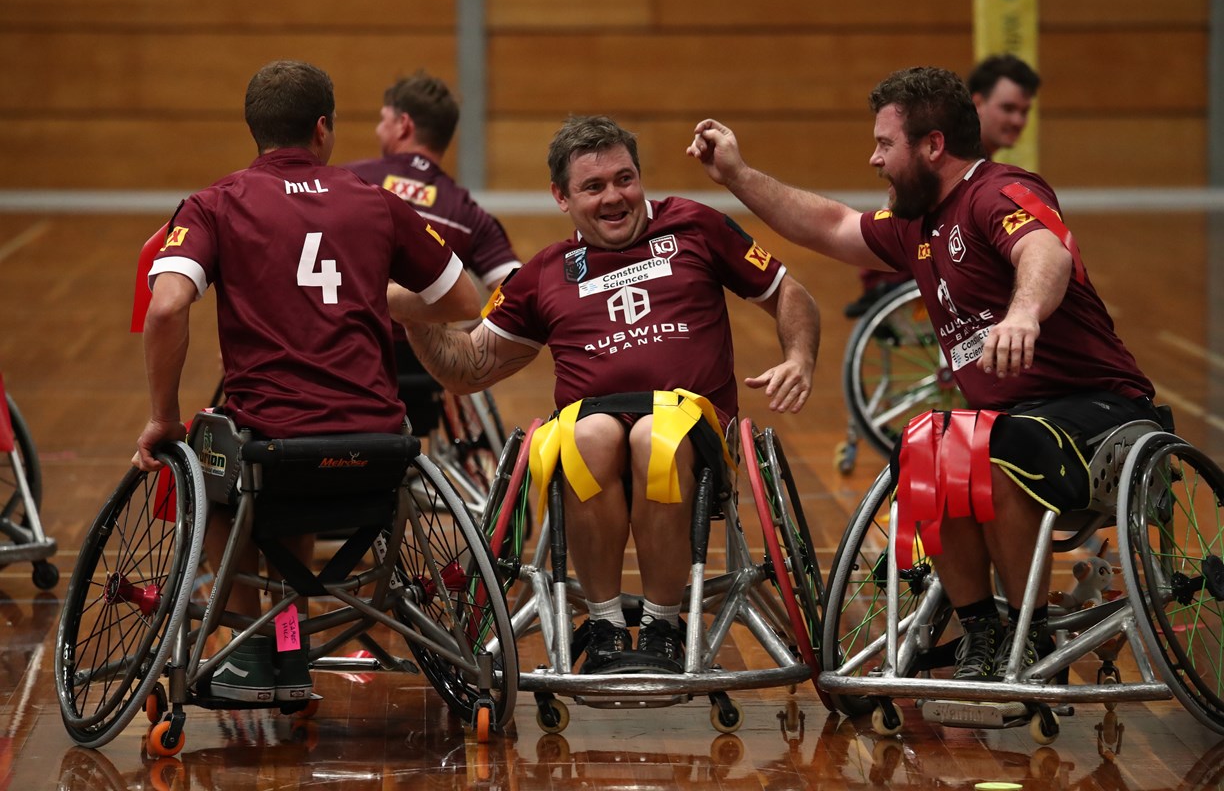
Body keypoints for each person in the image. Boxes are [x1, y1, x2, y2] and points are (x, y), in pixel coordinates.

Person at [688, 66, 1157, 680]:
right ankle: (983, 634)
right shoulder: (919, 223)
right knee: (928, 445)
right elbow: (831, 225)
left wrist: (1022, 315)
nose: (874, 159)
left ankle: (1030, 635)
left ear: (933, 145)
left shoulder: (997, 191)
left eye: (886, 144)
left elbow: (1043, 251)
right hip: (1016, 424)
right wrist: (739, 177)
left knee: (990, 446)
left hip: (1099, 410)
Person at [400, 115, 820, 673]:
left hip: (688, 421)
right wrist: (411, 309)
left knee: (655, 436)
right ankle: (601, 623)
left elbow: (788, 291)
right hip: (591, 419)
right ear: (561, 197)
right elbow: (467, 366)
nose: (614, 197)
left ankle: (663, 624)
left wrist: (799, 356)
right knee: (586, 435)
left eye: (624, 179)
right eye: (593, 187)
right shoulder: (545, 272)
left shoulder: (694, 227)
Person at [133, 60, 479, 703]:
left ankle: (244, 649)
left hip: (276, 443)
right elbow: (464, 300)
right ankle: (289, 647)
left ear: (254, 130)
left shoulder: (215, 204)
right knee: (279, 472)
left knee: (209, 451)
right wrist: (378, 297)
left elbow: (165, 307)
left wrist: (162, 417)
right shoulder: (376, 202)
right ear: (322, 129)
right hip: (377, 445)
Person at [343, 71, 521, 434]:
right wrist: (471, 334)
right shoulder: (469, 213)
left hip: (347, 367)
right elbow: (516, 291)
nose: (379, 131)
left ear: (403, 124)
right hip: (424, 381)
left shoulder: (348, 183)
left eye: (383, 120)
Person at [845, 55, 1042, 318]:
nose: (1018, 120)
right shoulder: (954, 162)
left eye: (1024, 111)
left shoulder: (981, 169)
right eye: (1008, 108)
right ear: (978, 103)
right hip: (900, 283)